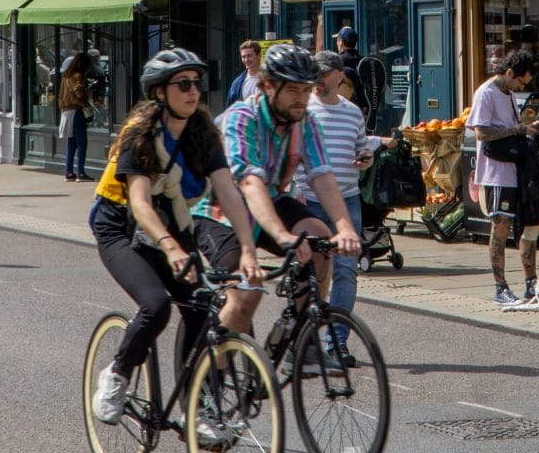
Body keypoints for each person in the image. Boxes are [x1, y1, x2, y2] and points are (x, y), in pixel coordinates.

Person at [88, 49, 265, 427]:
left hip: (172, 225)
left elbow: (228, 190)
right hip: (120, 226)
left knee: (202, 308)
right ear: (158, 92)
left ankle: (195, 410)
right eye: (182, 84)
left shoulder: (203, 133)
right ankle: (116, 375)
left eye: (197, 84)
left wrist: (248, 248)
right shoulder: (139, 134)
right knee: (156, 306)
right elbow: (139, 201)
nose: (192, 91)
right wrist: (171, 249)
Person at [196, 46, 361, 341]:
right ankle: (211, 379)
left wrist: (345, 227)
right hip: (221, 209)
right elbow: (249, 183)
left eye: (306, 90)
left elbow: (321, 175)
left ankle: (299, 340)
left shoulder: (305, 121)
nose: (302, 99)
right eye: (293, 90)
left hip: (270, 198)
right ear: (269, 86)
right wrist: (282, 236)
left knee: (320, 242)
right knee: (246, 298)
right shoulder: (242, 117)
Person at [305, 50, 386, 355]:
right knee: (313, 271)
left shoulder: (352, 112)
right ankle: (306, 337)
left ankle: (337, 341)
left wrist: (365, 159)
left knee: (345, 270)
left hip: (347, 199)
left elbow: (362, 150)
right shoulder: (304, 109)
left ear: (339, 75)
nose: (318, 80)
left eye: (324, 74)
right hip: (310, 201)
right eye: (315, 73)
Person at [469, 48, 539, 306]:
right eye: (520, 81)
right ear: (509, 72)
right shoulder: (486, 93)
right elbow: (480, 133)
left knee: (527, 223)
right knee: (500, 226)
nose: (520, 86)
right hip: (496, 172)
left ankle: (530, 283)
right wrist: (518, 128)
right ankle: (500, 287)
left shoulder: (509, 93)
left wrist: (527, 129)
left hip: (514, 170)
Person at [57, 51, 96, 182]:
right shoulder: (77, 76)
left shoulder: (65, 76)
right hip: (76, 111)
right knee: (82, 143)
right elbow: (78, 93)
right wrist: (87, 98)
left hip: (66, 111)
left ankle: (69, 172)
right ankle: (81, 172)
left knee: (71, 143)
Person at [226, 39, 262, 109]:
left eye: (249, 56)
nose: (246, 60)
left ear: (259, 55)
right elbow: (230, 110)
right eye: (243, 57)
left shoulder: (270, 79)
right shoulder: (237, 84)